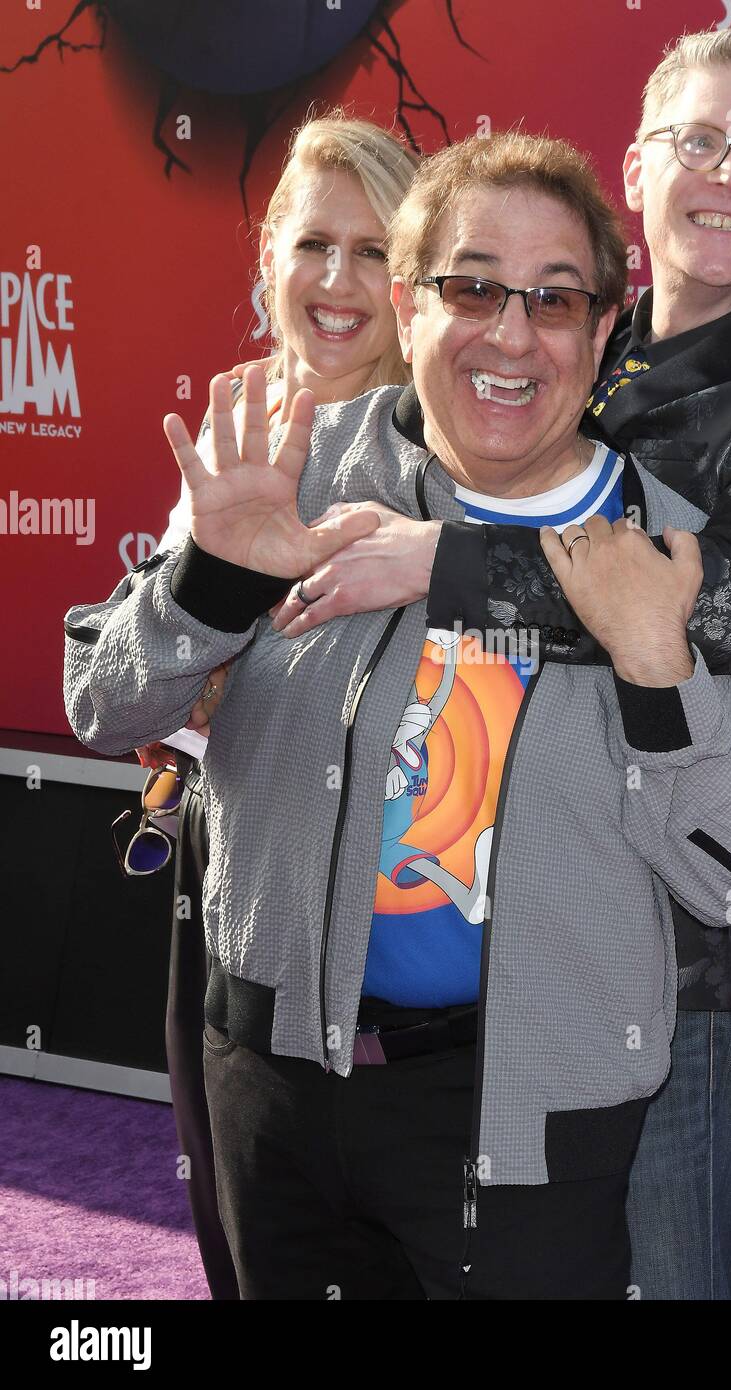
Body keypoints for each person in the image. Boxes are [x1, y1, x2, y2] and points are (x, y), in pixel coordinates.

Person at [64, 130, 731, 1300]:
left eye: (554, 299)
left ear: (604, 328)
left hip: (524, 1115)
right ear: (407, 306)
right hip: (275, 1095)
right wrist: (212, 582)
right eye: (469, 288)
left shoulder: (667, 548)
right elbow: (104, 706)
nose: (511, 334)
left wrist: (656, 665)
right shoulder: (289, 470)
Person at [266, 30, 731, 1299]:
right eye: (702, 140)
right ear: (638, 167)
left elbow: (718, 604)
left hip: (672, 952)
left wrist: (438, 564)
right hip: (480, 931)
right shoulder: (572, 329)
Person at [138, 110, 420, 1300]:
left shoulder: (455, 435)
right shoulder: (238, 414)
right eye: (314, 245)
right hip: (223, 878)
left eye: (373, 252)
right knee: (239, 1220)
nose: (339, 281)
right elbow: (135, 678)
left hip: (397, 919)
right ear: (270, 262)